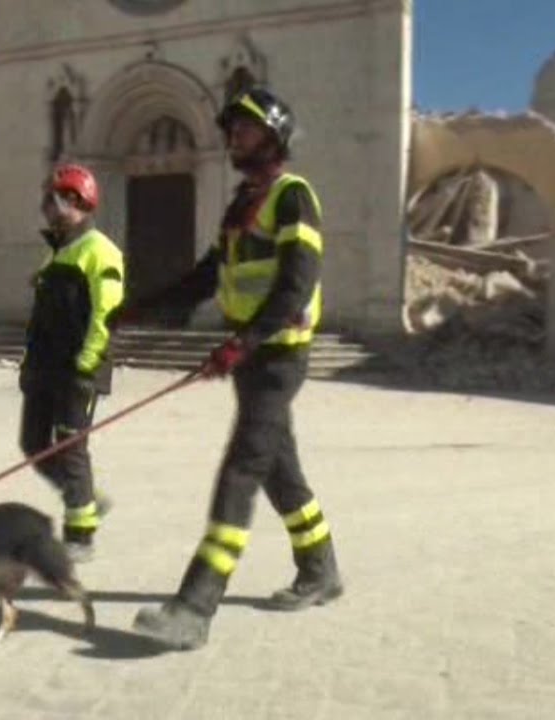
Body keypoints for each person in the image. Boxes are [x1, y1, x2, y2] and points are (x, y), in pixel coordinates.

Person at [125, 88, 343, 649]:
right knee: (279, 470)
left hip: (278, 354)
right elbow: (207, 275)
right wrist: (143, 308)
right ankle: (321, 570)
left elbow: (297, 286)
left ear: (273, 135)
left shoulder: (294, 199)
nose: (233, 138)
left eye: (243, 129)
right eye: (231, 130)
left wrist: (241, 344)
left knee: (241, 469)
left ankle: (195, 608)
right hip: (251, 354)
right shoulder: (241, 204)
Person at [19, 163, 125, 563]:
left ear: (76, 200)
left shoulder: (100, 251)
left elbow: (106, 314)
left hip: (77, 370)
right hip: (44, 369)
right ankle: (86, 498)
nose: (46, 206)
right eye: (46, 197)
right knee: (33, 445)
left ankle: (80, 535)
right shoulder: (56, 253)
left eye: (54, 198)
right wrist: (29, 364)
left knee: (70, 448)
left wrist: (87, 364)